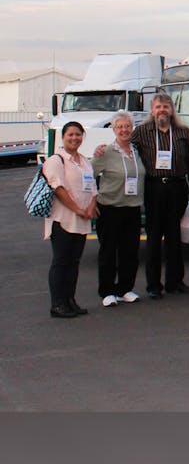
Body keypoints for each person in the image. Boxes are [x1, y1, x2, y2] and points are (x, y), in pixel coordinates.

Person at [131, 93, 189, 299]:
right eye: (158, 107)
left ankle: (175, 281)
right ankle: (153, 285)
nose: (162, 110)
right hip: (154, 188)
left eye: (166, 106)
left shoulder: (183, 132)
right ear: (152, 110)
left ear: (172, 110)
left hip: (176, 187)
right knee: (153, 238)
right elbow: (124, 148)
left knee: (174, 237)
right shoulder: (142, 132)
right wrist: (101, 150)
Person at [42, 122, 98, 318]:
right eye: (70, 135)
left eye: (78, 135)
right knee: (61, 261)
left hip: (82, 221)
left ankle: (70, 300)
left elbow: (93, 188)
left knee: (74, 262)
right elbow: (58, 189)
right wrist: (77, 209)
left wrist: (90, 207)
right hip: (63, 220)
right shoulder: (56, 161)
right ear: (63, 137)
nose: (74, 138)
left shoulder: (84, 161)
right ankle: (57, 303)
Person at [92, 111, 145, 307]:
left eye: (127, 126)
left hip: (132, 208)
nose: (124, 130)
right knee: (108, 251)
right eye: (120, 127)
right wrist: (91, 200)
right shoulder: (105, 152)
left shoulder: (137, 150)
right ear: (114, 130)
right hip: (110, 208)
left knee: (130, 251)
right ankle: (106, 291)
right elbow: (89, 175)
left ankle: (124, 289)